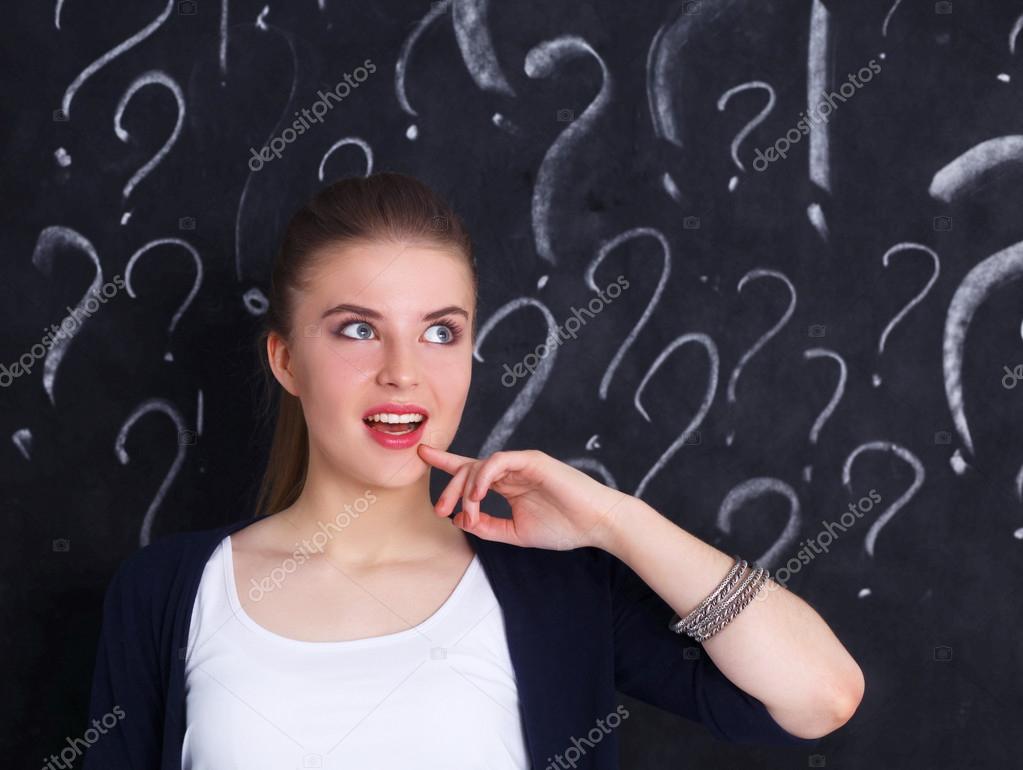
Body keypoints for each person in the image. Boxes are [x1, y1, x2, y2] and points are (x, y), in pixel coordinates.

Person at [82, 171, 863, 770]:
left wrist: (614, 523)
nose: (402, 372)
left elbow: (820, 696)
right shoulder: (166, 593)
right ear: (286, 359)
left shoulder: (557, 586)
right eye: (357, 329)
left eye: (439, 332)